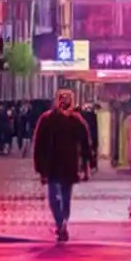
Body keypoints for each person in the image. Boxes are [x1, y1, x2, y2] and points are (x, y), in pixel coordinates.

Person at [32, 90, 94, 242]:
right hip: (66, 164)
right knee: (63, 198)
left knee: (56, 198)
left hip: (56, 165)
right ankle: (62, 222)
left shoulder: (49, 119)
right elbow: (86, 143)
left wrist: (40, 167)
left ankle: (61, 222)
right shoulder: (74, 120)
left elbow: (39, 144)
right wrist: (88, 163)